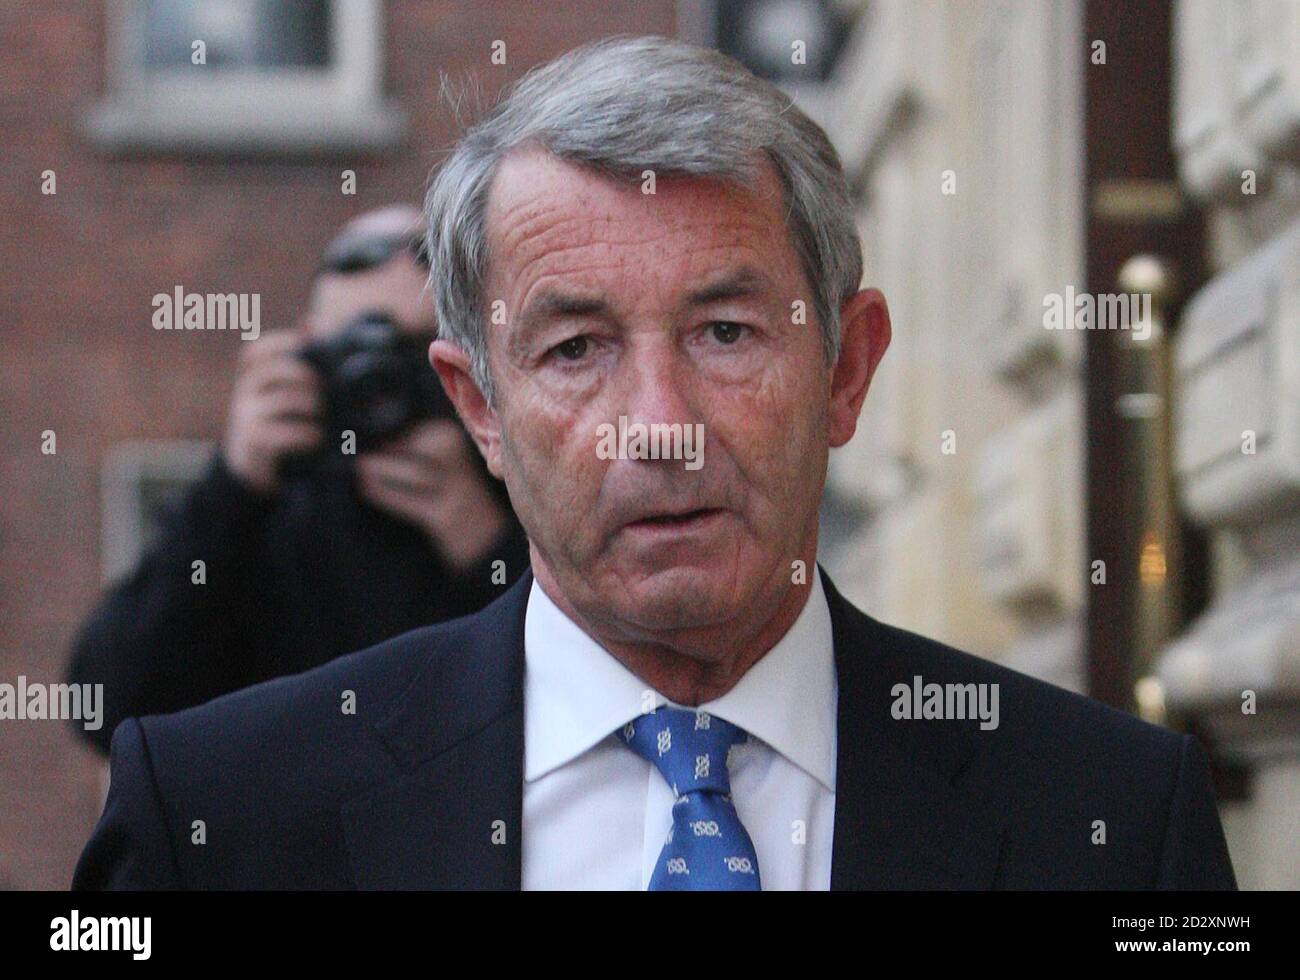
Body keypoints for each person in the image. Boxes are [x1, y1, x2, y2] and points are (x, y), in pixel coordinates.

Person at [74, 36, 1235, 890]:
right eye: (575, 348)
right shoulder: (221, 817)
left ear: (845, 370)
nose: (660, 424)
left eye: (726, 332)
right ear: (479, 405)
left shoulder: (1113, 821)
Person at [66, 205, 529, 755]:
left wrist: (488, 548)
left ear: (465, 360)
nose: (382, 381)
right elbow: (107, 704)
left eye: (416, 350)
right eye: (359, 349)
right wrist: (234, 485)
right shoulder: (264, 509)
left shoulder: (516, 482)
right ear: (309, 351)